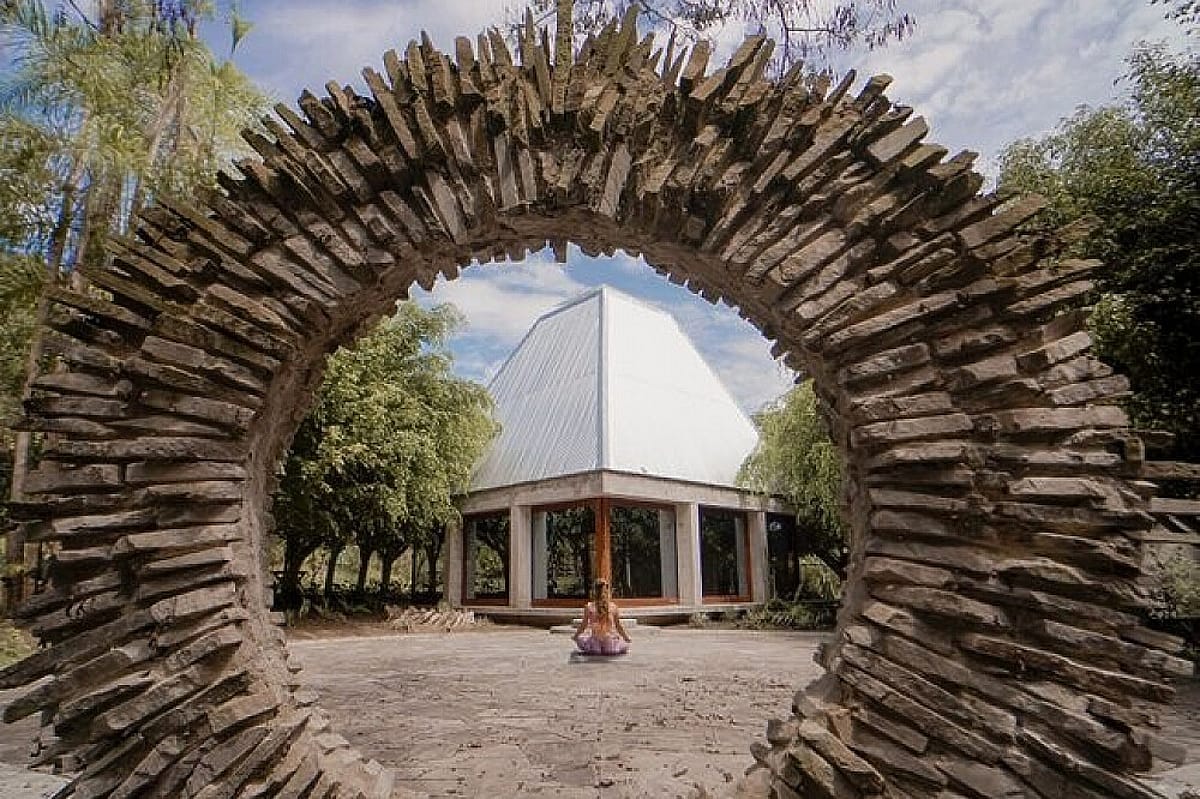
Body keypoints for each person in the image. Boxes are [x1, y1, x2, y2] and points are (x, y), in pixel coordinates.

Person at [572, 577, 632, 655]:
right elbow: (618, 626)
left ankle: (598, 647)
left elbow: (584, 625)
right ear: (607, 591)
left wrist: (575, 636)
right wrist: (626, 638)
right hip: (610, 643)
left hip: (595, 643)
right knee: (622, 645)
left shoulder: (589, 607)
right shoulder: (613, 607)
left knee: (581, 640)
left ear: (594, 591)